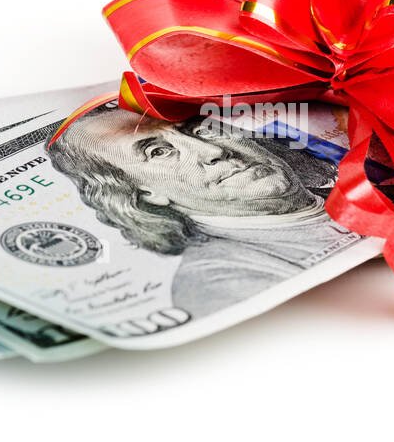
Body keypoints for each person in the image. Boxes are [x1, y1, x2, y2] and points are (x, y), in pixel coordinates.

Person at [46, 103, 360, 317]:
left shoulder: (355, 190)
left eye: (200, 130)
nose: (212, 151)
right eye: (159, 151)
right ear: (142, 192)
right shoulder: (219, 279)